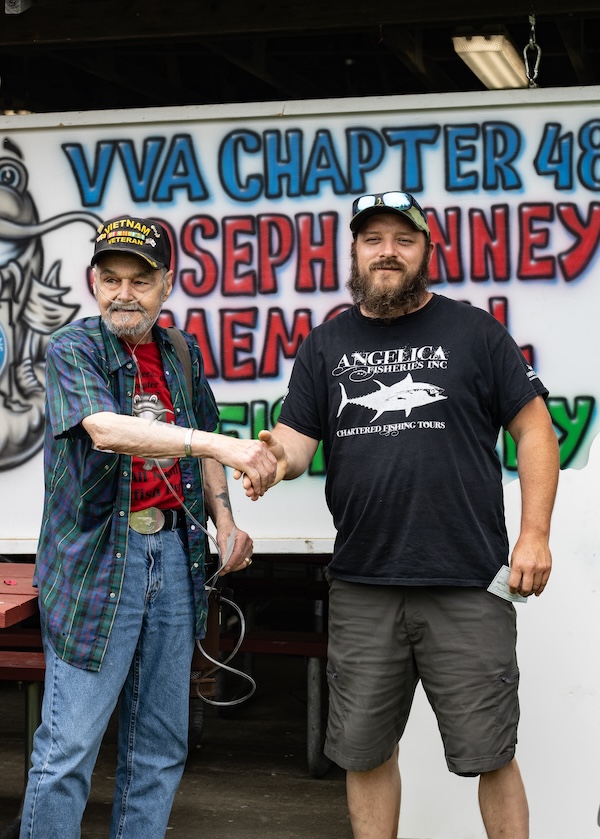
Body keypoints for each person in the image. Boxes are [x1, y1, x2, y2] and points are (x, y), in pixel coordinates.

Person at [251, 192, 559, 839]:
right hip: (364, 584)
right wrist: (266, 460)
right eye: (373, 238)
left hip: (469, 581)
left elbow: (534, 429)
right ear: (355, 252)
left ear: (425, 251)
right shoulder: (326, 344)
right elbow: (296, 444)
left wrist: (534, 534)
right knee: (365, 751)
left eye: (403, 238)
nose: (387, 250)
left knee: (491, 752)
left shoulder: (474, 332)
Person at [20, 215, 276, 839]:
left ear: (167, 284)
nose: (123, 294)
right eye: (111, 279)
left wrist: (225, 519)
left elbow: (207, 454)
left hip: (173, 555)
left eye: (140, 280)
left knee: (160, 746)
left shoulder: (181, 353)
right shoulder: (73, 348)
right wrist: (222, 444)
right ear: (94, 282)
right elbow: (106, 429)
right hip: (95, 569)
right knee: (68, 750)